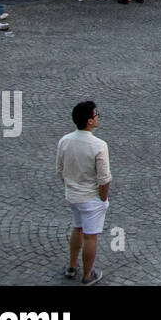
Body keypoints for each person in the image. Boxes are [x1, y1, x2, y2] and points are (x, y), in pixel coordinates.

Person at [57, 100, 111, 284]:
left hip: (73, 195)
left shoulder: (64, 141)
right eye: (96, 115)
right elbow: (104, 178)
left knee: (77, 227)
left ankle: (72, 266)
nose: (97, 118)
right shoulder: (98, 145)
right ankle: (88, 275)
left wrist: (70, 186)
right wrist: (103, 198)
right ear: (89, 121)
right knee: (90, 236)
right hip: (90, 197)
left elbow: (60, 169)